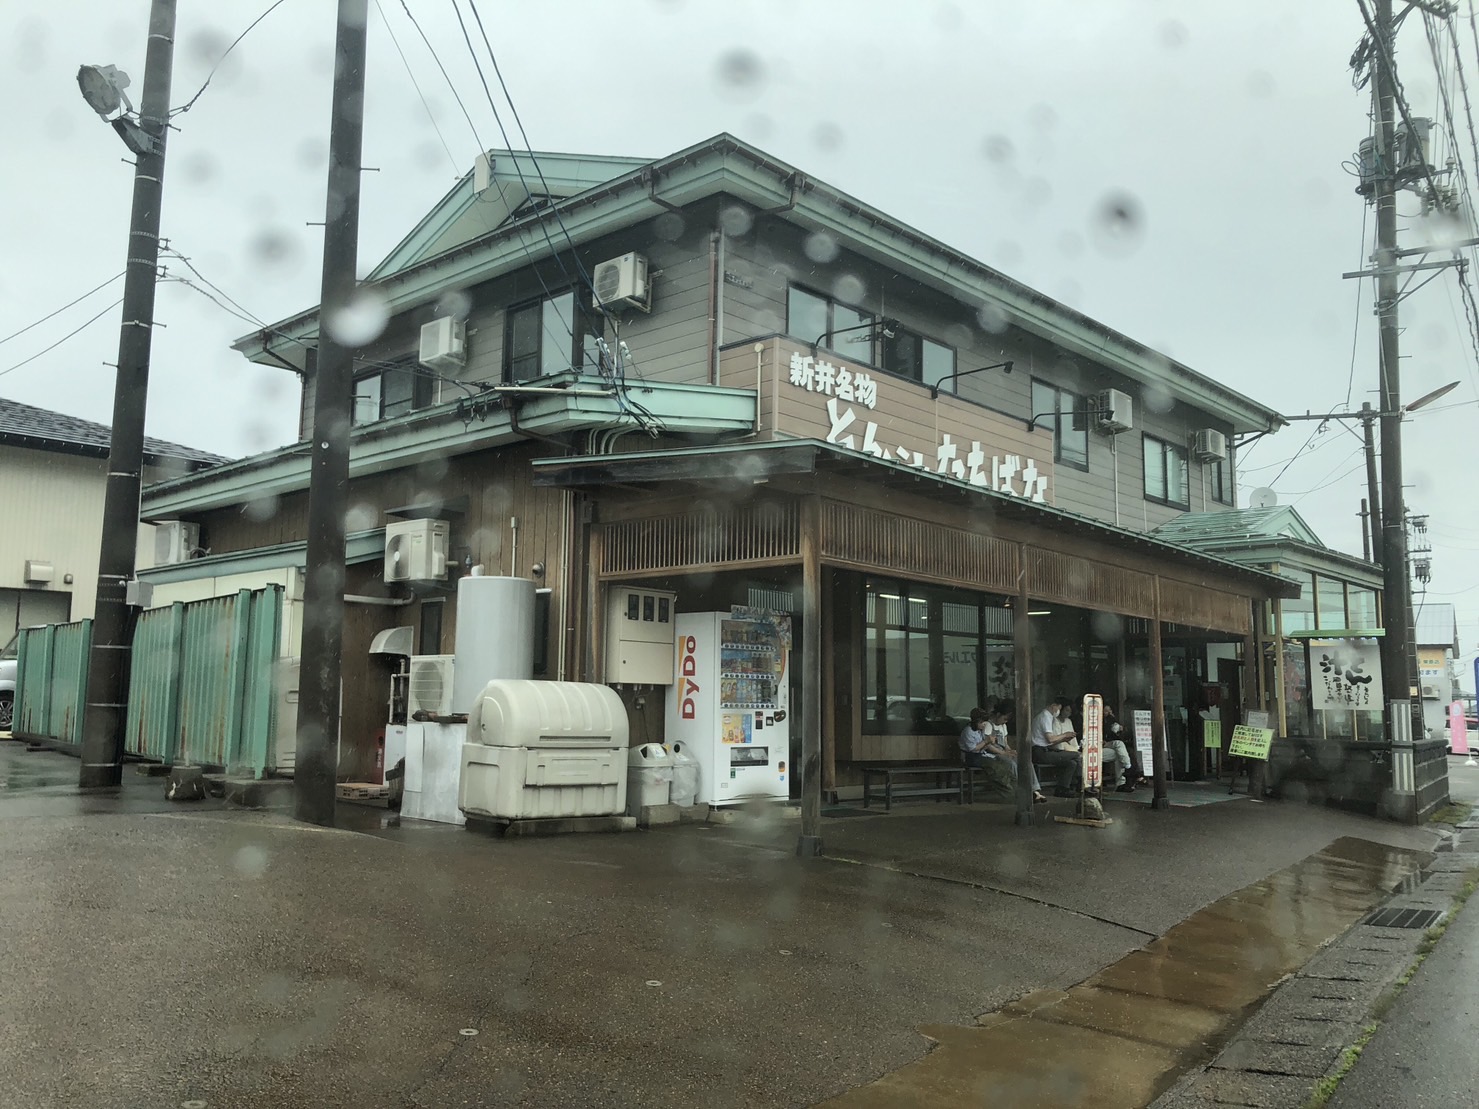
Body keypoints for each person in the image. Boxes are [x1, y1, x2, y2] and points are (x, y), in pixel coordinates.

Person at [986, 701, 1046, 804]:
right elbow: (988, 745)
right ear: (998, 715)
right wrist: (1003, 753)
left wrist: (1010, 750)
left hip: (1003, 751)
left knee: (1026, 761)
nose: (1005, 722)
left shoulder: (1003, 727)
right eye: (1004, 719)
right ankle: (1024, 790)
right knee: (1012, 764)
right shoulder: (988, 725)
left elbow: (1005, 743)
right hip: (993, 754)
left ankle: (1035, 790)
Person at [1029, 695, 1082, 797]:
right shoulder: (1045, 716)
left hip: (1045, 749)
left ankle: (1063, 788)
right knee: (1076, 755)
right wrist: (1065, 735)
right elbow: (1050, 739)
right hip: (1039, 752)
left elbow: (1050, 741)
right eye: (1059, 708)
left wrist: (1064, 739)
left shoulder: (1047, 716)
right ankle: (1080, 784)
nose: (1058, 711)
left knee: (1072, 763)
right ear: (1054, 705)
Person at [1101, 707, 1141, 792]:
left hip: (1112, 744)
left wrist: (1114, 721)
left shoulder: (1111, 720)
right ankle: (1129, 770)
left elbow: (1118, 735)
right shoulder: (1099, 720)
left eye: (1110, 710)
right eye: (1105, 710)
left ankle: (1122, 783)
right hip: (1101, 744)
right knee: (1122, 748)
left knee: (1121, 750)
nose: (1108, 712)